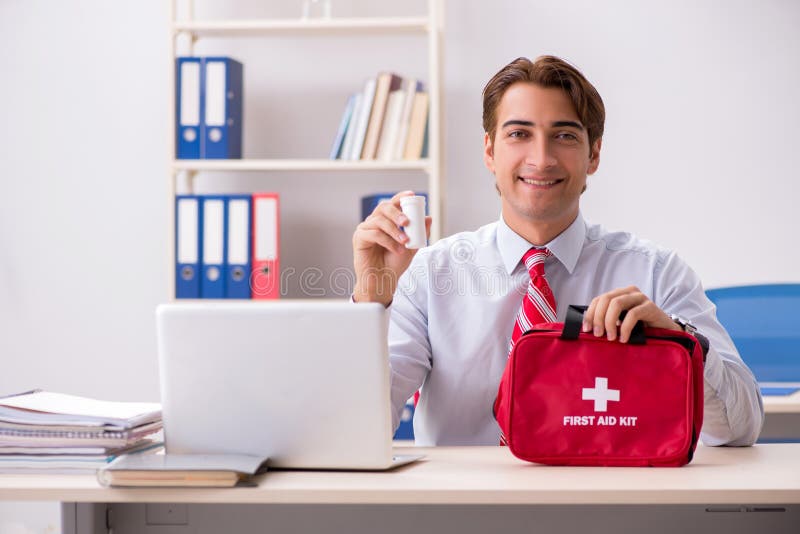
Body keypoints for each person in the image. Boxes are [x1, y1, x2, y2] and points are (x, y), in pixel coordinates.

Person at [352, 55, 764, 447]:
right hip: (464, 511)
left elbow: (740, 429)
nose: (541, 158)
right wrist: (371, 301)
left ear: (594, 155)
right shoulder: (428, 274)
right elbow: (356, 430)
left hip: (603, 508)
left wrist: (678, 343)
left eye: (564, 136)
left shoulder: (657, 273)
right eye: (519, 134)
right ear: (490, 152)